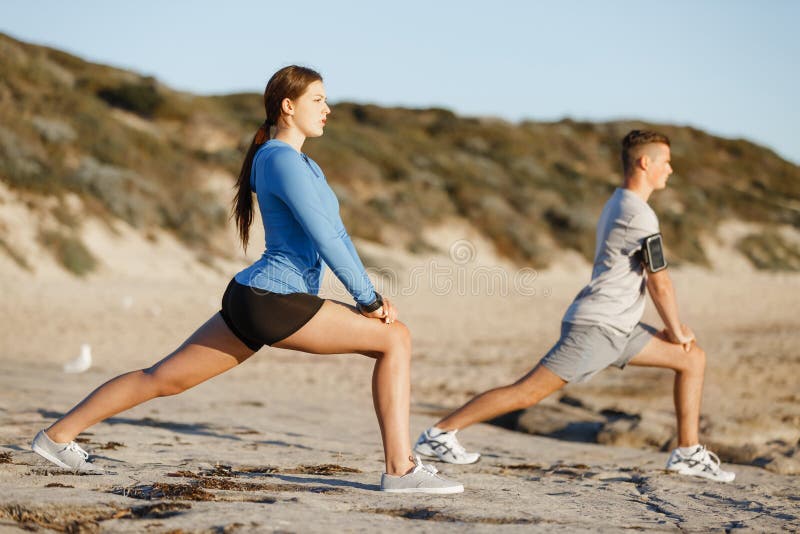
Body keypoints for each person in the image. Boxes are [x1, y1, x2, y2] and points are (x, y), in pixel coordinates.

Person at [32, 65, 463, 494]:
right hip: (272, 299)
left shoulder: (300, 163)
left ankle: (56, 438)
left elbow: (337, 234)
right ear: (288, 106)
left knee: (163, 378)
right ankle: (402, 471)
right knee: (396, 339)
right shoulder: (279, 160)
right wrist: (367, 300)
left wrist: (371, 297)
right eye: (318, 99)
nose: (327, 109)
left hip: (255, 297)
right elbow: (323, 237)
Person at [414, 130, 736, 483]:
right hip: (596, 329)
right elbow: (660, 282)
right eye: (666, 162)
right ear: (646, 163)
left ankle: (688, 453)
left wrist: (670, 334)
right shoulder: (638, 215)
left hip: (620, 328)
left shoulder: (619, 203)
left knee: (691, 358)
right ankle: (440, 434)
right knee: (528, 392)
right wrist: (676, 330)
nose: (671, 170)